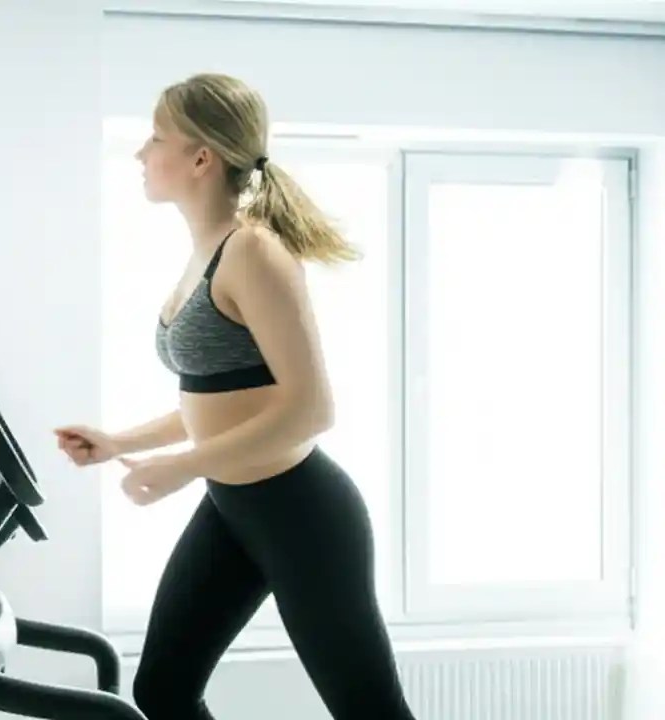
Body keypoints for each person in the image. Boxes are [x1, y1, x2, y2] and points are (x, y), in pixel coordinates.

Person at [55, 73, 417, 719]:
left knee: (371, 712)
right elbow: (221, 400)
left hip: (302, 514)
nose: (142, 153)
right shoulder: (207, 252)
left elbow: (311, 409)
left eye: (156, 137)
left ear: (201, 158)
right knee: (163, 691)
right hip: (235, 507)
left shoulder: (253, 251)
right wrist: (124, 443)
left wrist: (181, 468)